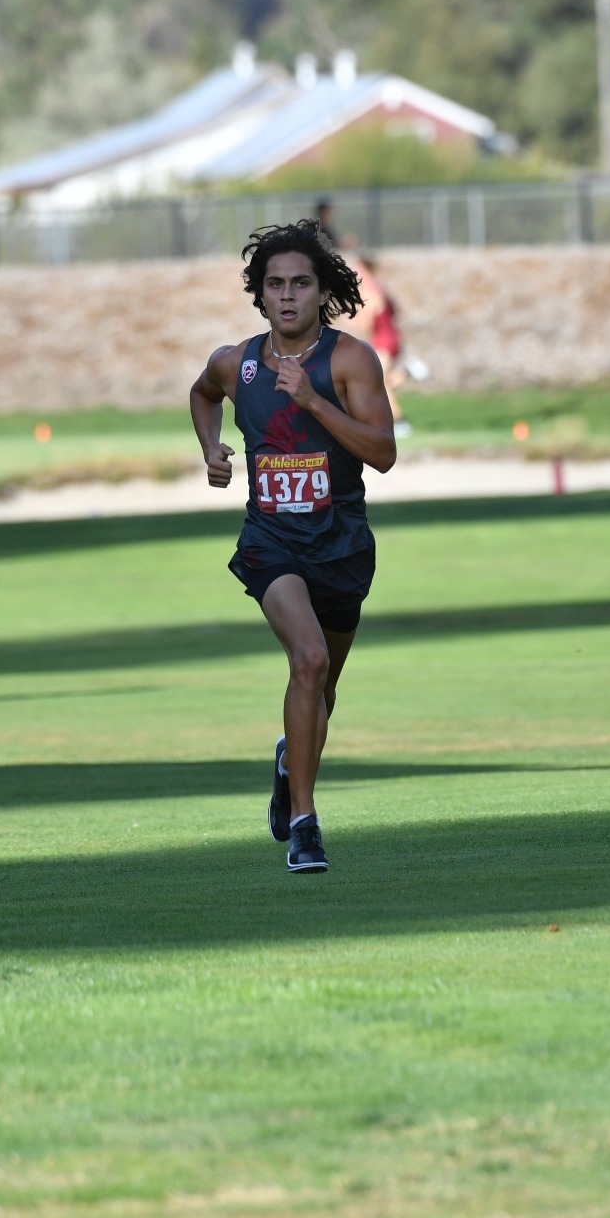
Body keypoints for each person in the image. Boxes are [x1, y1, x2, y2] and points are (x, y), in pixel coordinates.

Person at [190, 220, 396, 872]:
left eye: (300, 283)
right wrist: (212, 448)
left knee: (322, 690)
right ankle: (305, 823)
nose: (287, 296)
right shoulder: (238, 361)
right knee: (305, 660)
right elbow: (202, 394)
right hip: (271, 541)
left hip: (339, 543)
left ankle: (289, 761)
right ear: (260, 292)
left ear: (321, 290)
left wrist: (314, 402)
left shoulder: (349, 361)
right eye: (275, 284)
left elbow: (384, 454)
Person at [352, 254, 412, 436]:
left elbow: (367, 321)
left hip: (383, 340)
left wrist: (353, 320)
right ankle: (408, 373)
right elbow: (396, 310)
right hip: (392, 337)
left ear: (364, 270)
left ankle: (399, 422)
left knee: (381, 383)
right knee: (381, 382)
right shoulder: (381, 288)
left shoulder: (370, 291)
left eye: (357, 270)